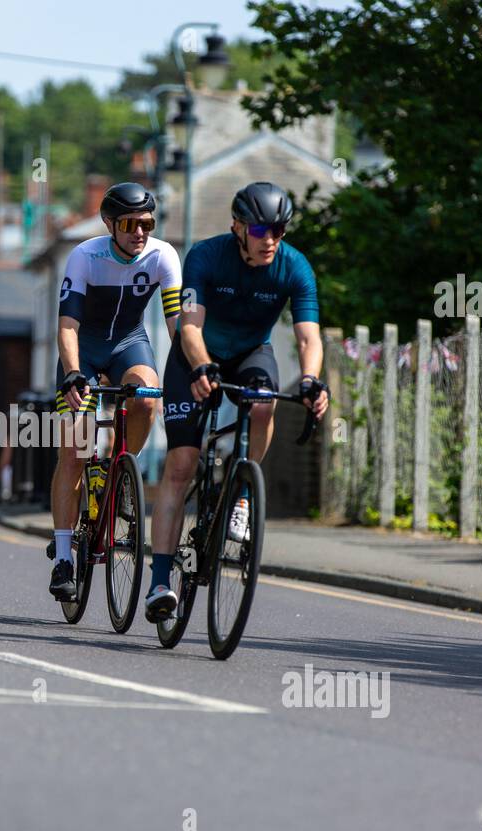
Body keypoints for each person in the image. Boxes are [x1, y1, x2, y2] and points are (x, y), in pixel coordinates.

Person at [144, 182, 329, 622]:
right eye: (262, 229)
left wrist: (310, 379)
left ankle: (242, 489)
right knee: (182, 465)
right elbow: (189, 328)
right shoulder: (207, 256)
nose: (271, 239)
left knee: (264, 402)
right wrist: (203, 367)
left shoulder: (295, 267)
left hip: (251, 353)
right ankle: (159, 582)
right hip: (197, 355)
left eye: (279, 230)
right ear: (238, 226)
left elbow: (308, 336)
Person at [47, 182, 181, 601]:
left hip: (128, 343)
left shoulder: (164, 255)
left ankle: (123, 470)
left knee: (148, 395)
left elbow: (178, 327)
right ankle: (64, 556)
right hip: (83, 350)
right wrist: (72, 374)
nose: (140, 232)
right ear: (109, 224)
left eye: (147, 223)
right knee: (74, 449)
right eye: (129, 224)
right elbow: (67, 326)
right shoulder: (85, 255)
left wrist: (189, 370)